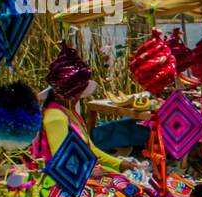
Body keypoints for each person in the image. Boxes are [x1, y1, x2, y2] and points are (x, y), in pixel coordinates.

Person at [34, 43, 138, 174]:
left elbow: (90, 150)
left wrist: (120, 164)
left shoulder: (69, 113)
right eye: (77, 93)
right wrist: (90, 172)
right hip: (59, 182)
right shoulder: (55, 117)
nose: (79, 97)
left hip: (78, 175)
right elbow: (60, 162)